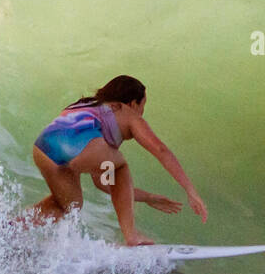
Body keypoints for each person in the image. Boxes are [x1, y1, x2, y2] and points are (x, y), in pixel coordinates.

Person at [24, 75, 207, 245]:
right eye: (143, 106)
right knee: (121, 166)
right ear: (133, 103)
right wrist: (190, 191)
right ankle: (131, 236)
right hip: (75, 142)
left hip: (44, 148)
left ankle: (11, 228)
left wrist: (148, 197)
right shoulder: (128, 113)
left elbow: (105, 183)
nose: (142, 113)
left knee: (68, 206)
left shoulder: (92, 109)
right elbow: (161, 150)